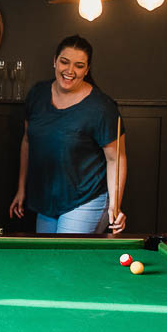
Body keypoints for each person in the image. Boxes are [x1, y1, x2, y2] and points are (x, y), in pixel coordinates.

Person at [9, 34, 127, 234]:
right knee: (47, 260)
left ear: (87, 70)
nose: (70, 71)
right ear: (54, 61)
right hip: (46, 200)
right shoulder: (37, 94)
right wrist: (22, 189)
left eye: (79, 66)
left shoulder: (101, 107)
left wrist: (115, 206)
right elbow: (27, 141)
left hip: (85, 198)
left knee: (65, 258)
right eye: (64, 62)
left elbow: (116, 159)